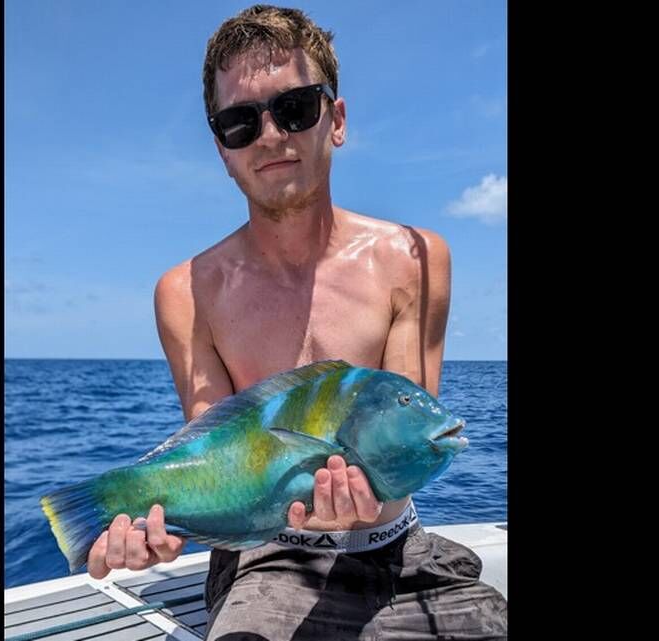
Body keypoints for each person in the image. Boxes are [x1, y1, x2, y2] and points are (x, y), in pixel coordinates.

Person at [86, 5, 507, 639]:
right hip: (266, 557)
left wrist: (362, 505)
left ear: (335, 120)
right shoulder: (186, 292)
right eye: (238, 122)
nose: (269, 136)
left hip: (398, 546)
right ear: (221, 150)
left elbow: (408, 439)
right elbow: (214, 452)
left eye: (295, 108)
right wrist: (156, 526)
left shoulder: (415, 260)